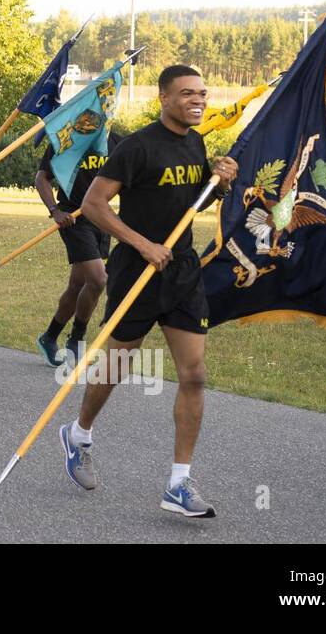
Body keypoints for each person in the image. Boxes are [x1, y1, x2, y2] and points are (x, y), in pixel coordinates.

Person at [63, 65, 237, 518]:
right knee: (117, 366)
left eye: (201, 93)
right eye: (186, 94)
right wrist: (142, 244)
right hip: (136, 272)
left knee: (194, 373)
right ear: (163, 97)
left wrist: (219, 181)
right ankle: (79, 434)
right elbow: (93, 205)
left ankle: (179, 483)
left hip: (181, 270)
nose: (197, 100)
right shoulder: (137, 148)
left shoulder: (195, 142)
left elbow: (191, 199)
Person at [34, 128, 124, 367]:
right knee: (98, 279)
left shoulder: (117, 141)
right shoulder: (66, 137)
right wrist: (55, 210)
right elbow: (42, 177)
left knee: (77, 286)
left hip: (102, 218)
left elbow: (129, 179)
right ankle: (76, 340)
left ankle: (49, 337)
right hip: (73, 218)